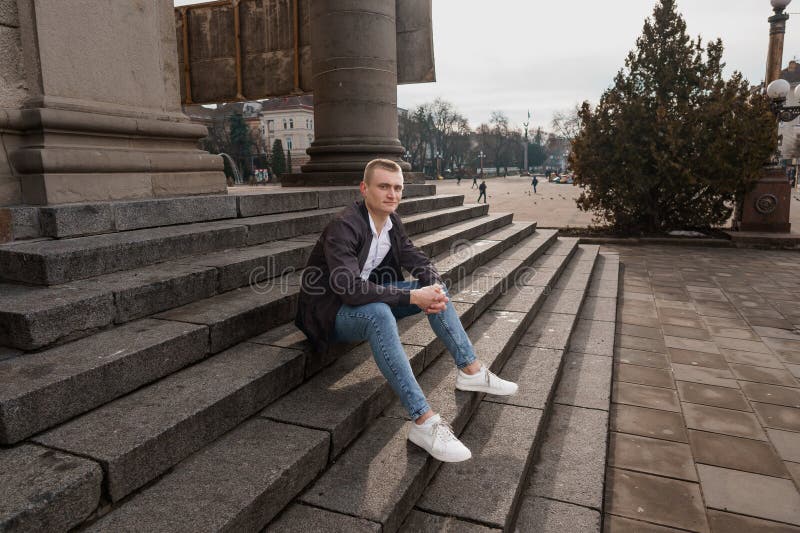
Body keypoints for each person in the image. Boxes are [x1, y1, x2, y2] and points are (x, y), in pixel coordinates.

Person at [295, 159, 518, 462]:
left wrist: (433, 287)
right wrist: (414, 297)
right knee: (381, 313)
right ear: (364, 188)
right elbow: (349, 289)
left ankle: (470, 370)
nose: (392, 194)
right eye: (384, 186)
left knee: (434, 290)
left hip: (365, 299)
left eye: (397, 187)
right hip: (330, 312)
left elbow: (417, 259)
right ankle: (424, 422)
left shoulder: (391, 223)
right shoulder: (343, 227)